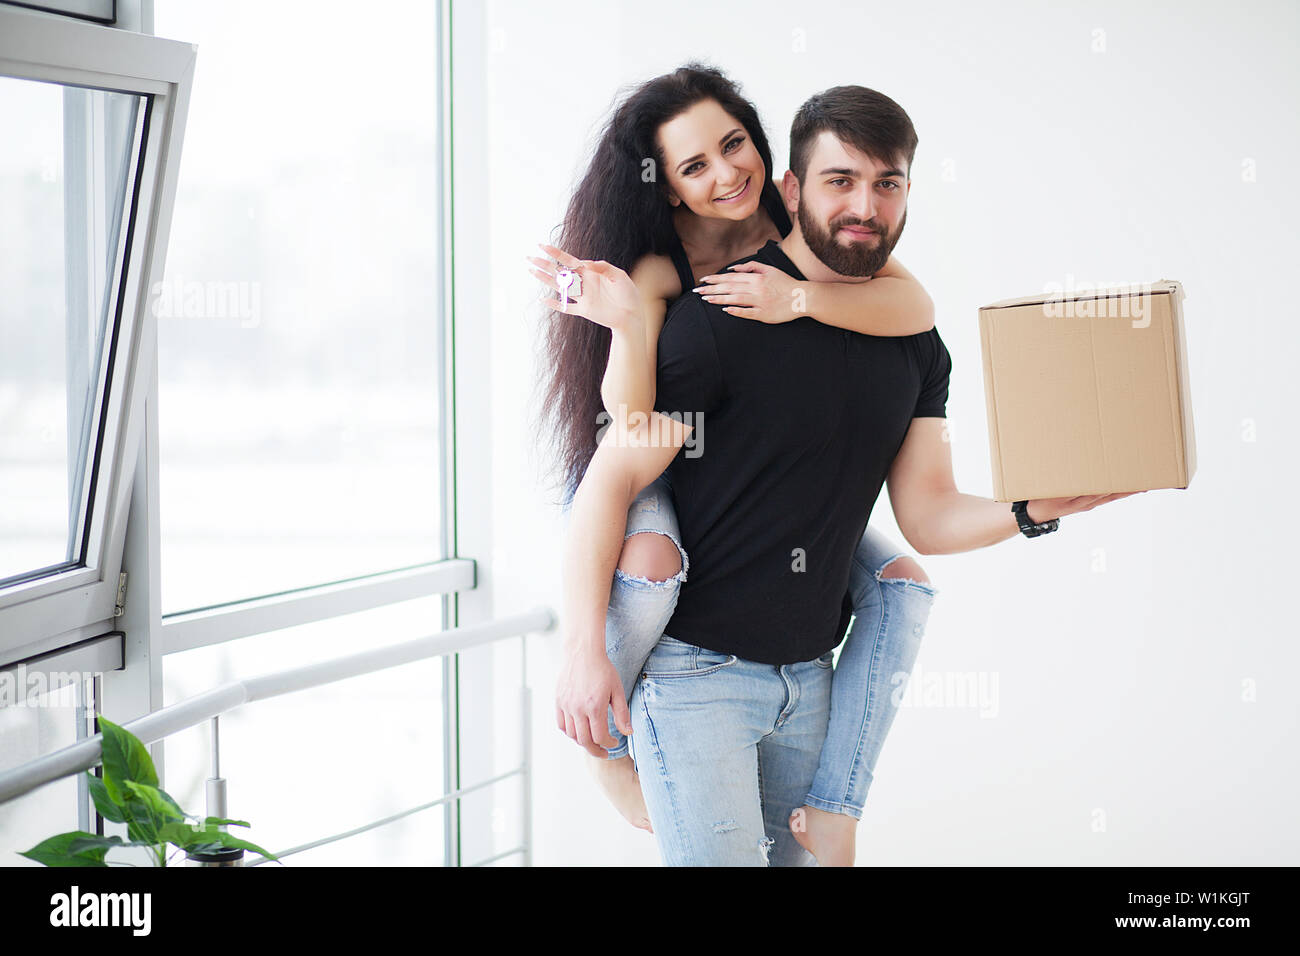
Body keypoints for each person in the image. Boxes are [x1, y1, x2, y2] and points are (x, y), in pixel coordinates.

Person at [555, 83, 1140, 866]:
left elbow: (928, 515)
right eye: (840, 181)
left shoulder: (915, 343)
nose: (864, 205)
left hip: (812, 683)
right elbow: (614, 479)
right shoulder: (718, 313)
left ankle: (840, 805)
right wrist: (583, 653)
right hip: (698, 684)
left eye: (887, 183)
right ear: (792, 189)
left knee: (902, 581)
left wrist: (1033, 508)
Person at [532, 64, 937, 865]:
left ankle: (838, 806)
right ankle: (607, 743)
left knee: (903, 584)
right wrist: (622, 323)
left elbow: (914, 307)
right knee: (651, 562)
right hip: (661, 467)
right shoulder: (660, 270)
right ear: (669, 188)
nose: (726, 174)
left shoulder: (801, 223)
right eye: (695, 166)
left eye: (734, 144)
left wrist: (804, 300)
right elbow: (632, 423)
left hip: (758, 483)